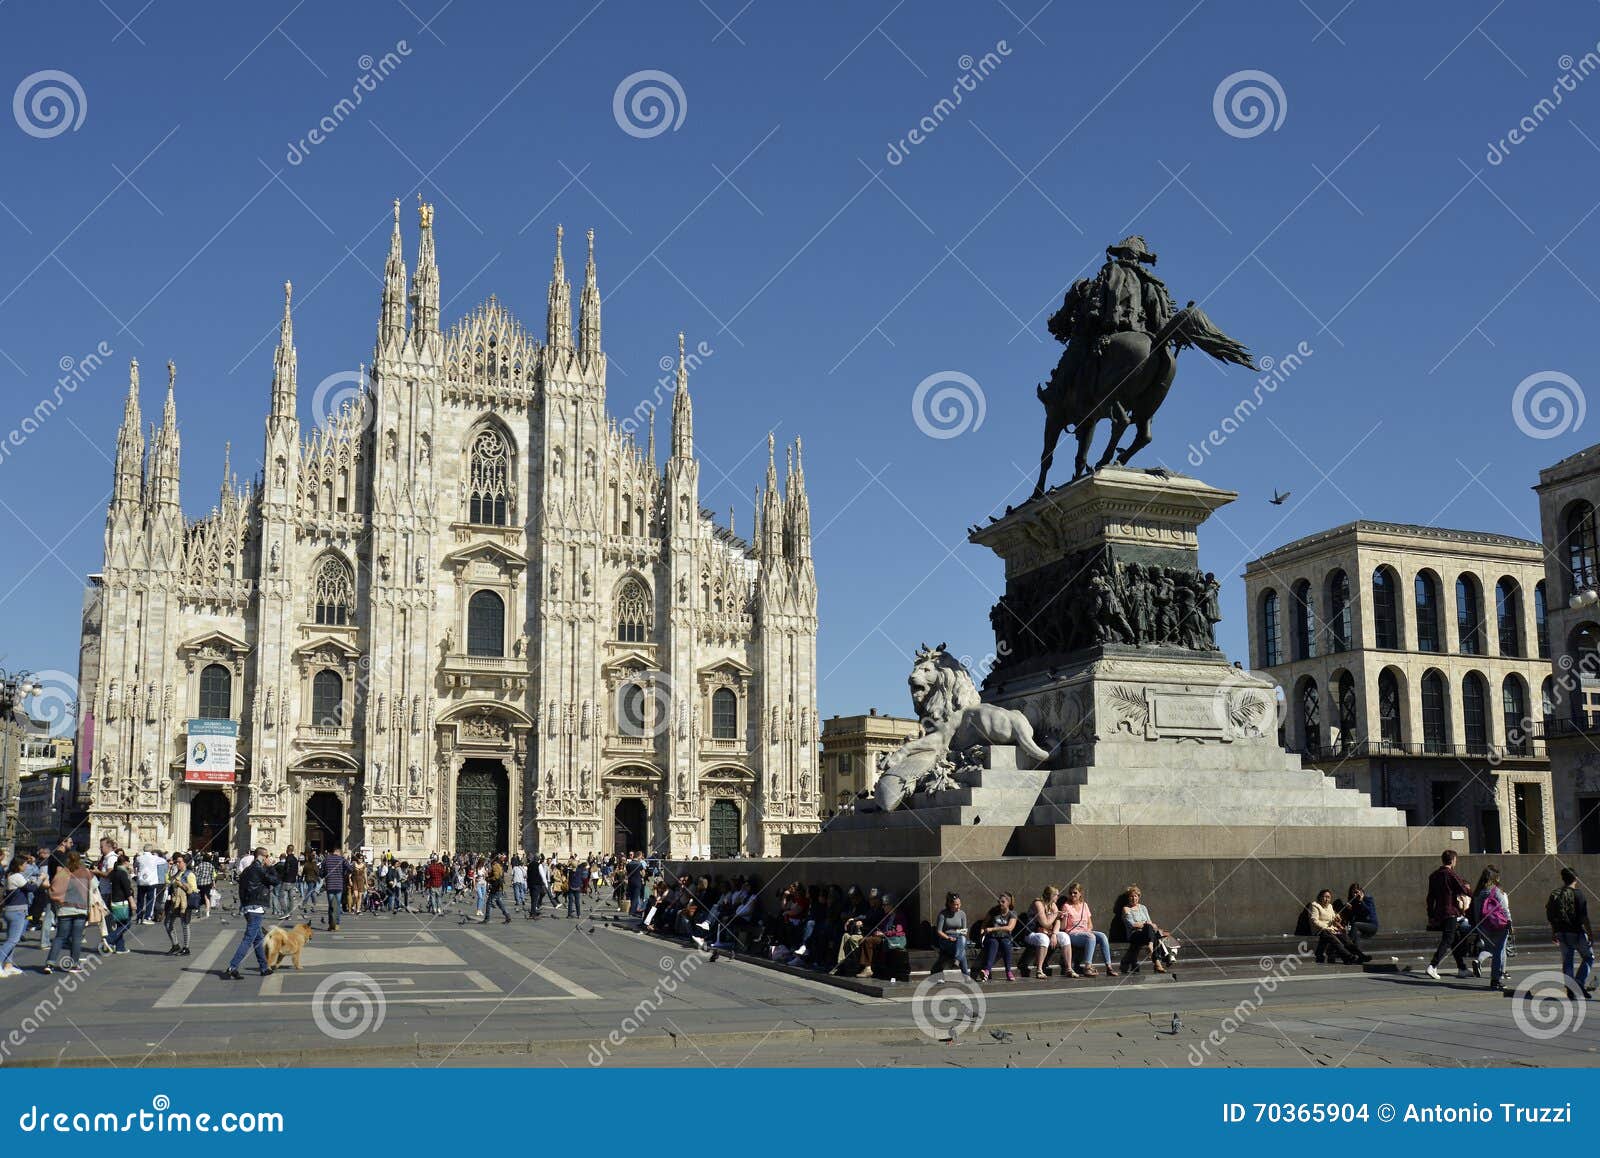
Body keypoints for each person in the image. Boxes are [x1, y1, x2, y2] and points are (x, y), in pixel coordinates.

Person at [222, 846, 278, 980]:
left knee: (258, 938)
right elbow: (275, 880)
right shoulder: (259, 870)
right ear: (262, 857)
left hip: (247, 906)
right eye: (266, 857)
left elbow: (241, 889)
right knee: (248, 938)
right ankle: (232, 967)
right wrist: (270, 867)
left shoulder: (247, 870)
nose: (268, 859)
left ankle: (264, 968)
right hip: (256, 908)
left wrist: (243, 904)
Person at [1425, 849, 1473, 980]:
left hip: (1439, 912)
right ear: (1452, 860)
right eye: (1455, 860)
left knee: (1454, 938)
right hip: (1451, 911)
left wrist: (1431, 915)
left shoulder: (1434, 875)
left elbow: (1430, 898)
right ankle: (1433, 966)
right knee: (1448, 939)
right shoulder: (1450, 874)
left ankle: (1462, 968)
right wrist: (1472, 894)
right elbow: (1463, 888)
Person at [1547, 867, 1596, 996]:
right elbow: (1584, 917)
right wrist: (1590, 933)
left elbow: (1551, 916)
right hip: (1576, 931)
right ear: (1575, 878)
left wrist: (1554, 932)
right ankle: (1579, 982)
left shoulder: (1555, 894)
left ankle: (1570, 987)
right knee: (1589, 957)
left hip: (1561, 932)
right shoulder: (1578, 894)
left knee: (1567, 960)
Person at [44, 852, 94, 974]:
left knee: (60, 937)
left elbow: (54, 889)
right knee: (77, 938)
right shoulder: (86, 873)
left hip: (65, 909)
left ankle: (50, 964)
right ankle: (74, 964)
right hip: (81, 909)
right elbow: (93, 889)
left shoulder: (63, 872)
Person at [1059, 881, 1117, 977]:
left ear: (1080, 893)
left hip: (1085, 932)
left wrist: (1088, 930)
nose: (1072, 895)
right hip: (1072, 934)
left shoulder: (1084, 905)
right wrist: (1064, 917)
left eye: (1075, 893)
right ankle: (1087, 967)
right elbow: (1063, 927)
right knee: (1091, 937)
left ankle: (1109, 967)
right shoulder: (1066, 906)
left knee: (1102, 936)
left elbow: (1090, 923)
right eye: (1071, 893)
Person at [1469, 865, 1511, 992]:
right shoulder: (1497, 891)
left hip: (1484, 927)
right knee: (1499, 952)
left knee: (1490, 949)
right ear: (1494, 878)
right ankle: (1496, 980)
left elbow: (1476, 913)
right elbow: (1504, 909)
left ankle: (1491, 974)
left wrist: (1478, 926)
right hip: (1499, 925)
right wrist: (1509, 923)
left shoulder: (1478, 893)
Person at [1116, 884, 1173, 974]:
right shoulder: (1126, 909)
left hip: (1146, 933)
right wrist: (1146, 924)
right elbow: (1132, 925)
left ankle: (1156, 959)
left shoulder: (1143, 907)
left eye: (1135, 896)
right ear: (1128, 898)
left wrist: (1147, 925)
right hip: (1134, 935)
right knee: (1151, 931)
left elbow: (1149, 921)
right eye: (1131, 896)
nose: (1134, 898)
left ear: (1138, 897)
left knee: (1151, 929)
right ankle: (1162, 958)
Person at [1023, 886, 1075, 978]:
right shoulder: (1038, 904)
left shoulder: (1053, 905)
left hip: (1048, 933)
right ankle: (1039, 970)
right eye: (1056, 895)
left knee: (1064, 936)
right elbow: (1045, 923)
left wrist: (1054, 934)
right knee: (1044, 939)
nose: (1058, 897)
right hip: (1032, 933)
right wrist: (1055, 914)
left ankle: (1069, 969)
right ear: (1050, 895)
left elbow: (1058, 921)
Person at [1308, 888, 1367, 964]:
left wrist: (1338, 921)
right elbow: (1314, 921)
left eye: (1328, 897)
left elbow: (1333, 919)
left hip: (1331, 930)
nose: (1327, 899)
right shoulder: (1315, 905)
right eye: (1325, 897)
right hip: (1320, 930)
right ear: (1320, 897)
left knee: (1345, 938)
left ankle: (1360, 955)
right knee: (1334, 939)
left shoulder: (1330, 906)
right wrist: (1327, 928)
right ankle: (1349, 956)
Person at [1, 855, 33, 976]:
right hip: (17, 911)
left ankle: (8, 965)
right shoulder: (17, 876)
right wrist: (41, 880)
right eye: (24, 864)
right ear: (19, 865)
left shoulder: (9, 875)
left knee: (11, 939)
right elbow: (30, 888)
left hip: (10, 910)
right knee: (13, 940)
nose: (26, 866)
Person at [979, 892, 1018, 982]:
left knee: (1006, 944)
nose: (1000, 903)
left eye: (1003, 902)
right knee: (993, 944)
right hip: (992, 937)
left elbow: (1009, 928)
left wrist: (993, 929)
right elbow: (984, 923)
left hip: (1005, 937)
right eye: (999, 901)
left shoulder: (1012, 913)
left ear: (1008, 902)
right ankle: (986, 971)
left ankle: (1008, 971)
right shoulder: (993, 911)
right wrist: (981, 934)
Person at [164, 853, 197, 956]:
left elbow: (193, 890)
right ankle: (175, 945)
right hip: (174, 902)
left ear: (185, 863)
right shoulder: (177, 873)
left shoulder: (190, 874)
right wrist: (169, 871)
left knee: (185, 924)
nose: (177, 864)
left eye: (179, 862)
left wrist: (182, 885)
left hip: (185, 902)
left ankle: (186, 947)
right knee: (168, 923)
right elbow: (168, 881)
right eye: (176, 862)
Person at [932, 892, 969, 976]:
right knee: (961, 950)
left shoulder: (962, 914)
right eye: (955, 905)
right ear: (949, 904)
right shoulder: (943, 914)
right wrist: (948, 937)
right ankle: (966, 974)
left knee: (962, 940)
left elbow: (964, 931)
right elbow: (939, 931)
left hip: (958, 938)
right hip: (945, 939)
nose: (958, 906)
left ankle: (956, 960)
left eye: (959, 904)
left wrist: (957, 933)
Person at [105, 854, 135, 955]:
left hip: (114, 900)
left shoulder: (114, 872)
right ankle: (109, 939)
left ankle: (120, 947)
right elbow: (127, 890)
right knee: (127, 923)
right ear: (125, 862)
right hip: (122, 901)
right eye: (128, 862)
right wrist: (132, 902)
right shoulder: (122, 873)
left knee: (119, 924)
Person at [1340, 883, 1379, 954]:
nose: (1354, 895)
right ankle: (1357, 953)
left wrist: (1361, 901)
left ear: (1360, 892)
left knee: (1356, 925)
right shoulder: (1353, 902)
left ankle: (1348, 946)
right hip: (1360, 926)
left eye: (1356, 892)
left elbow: (1368, 912)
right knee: (1354, 931)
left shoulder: (1367, 898)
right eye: (1353, 893)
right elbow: (1353, 918)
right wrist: (1349, 910)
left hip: (1371, 925)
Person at [321, 845, 348, 931]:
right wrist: (343, 873)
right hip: (339, 885)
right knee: (338, 906)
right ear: (339, 853)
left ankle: (330, 924)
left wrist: (325, 875)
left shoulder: (326, 859)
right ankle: (337, 924)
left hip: (330, 885)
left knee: (331, 906)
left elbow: (321, 872)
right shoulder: (342, 859)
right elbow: (350, 868)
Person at [483, 857, 511, 923]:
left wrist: (488, 879)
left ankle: (487, 918)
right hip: (499, 887)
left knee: (489, 902)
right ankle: (507, 915)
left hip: (496, 887)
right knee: (499, 902)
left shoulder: (495, 866)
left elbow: (496, 877)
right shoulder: (499, 866)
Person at [192, 855, 216, 919]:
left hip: (200, 883)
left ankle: (198, 910)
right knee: (207, 897)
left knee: (199, 897)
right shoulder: (211, 866)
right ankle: (207, 912)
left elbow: (196, 874)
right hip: (208, 883)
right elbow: (213, 876)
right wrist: (213, 884)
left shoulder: (200, 865)